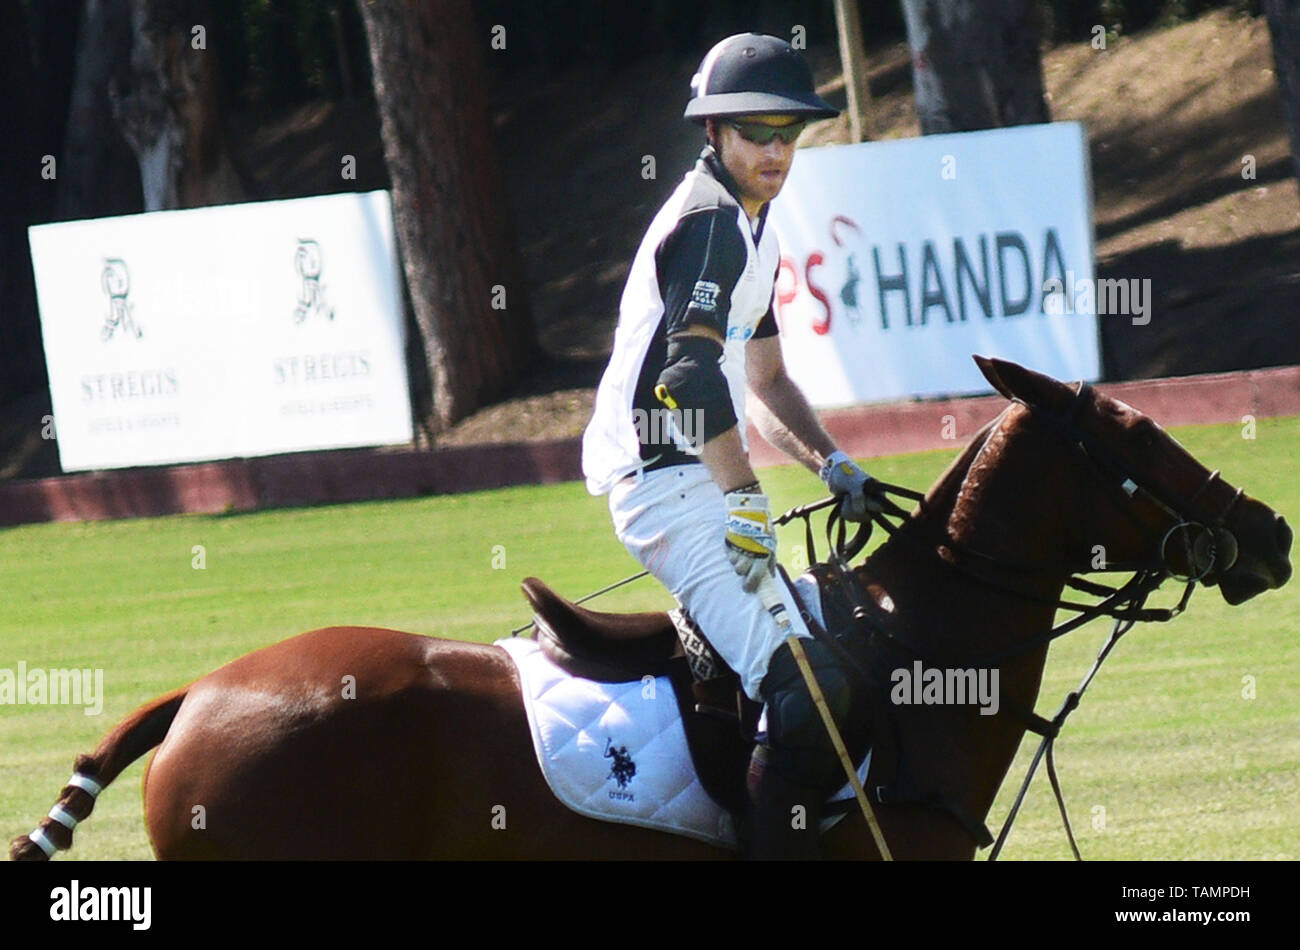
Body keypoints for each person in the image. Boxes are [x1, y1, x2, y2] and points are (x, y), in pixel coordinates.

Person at [581, 32, 881, 859]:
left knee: (835, 667)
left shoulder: (759, 228)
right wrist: (747, 495)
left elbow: (769, 382)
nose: (776, 150)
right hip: (663, 481)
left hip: (701, 479)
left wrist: (833, 463)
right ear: (714, 135)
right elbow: (687, 375)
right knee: (808, 692)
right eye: (755, 132)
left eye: (789, 132)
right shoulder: (710, 219)